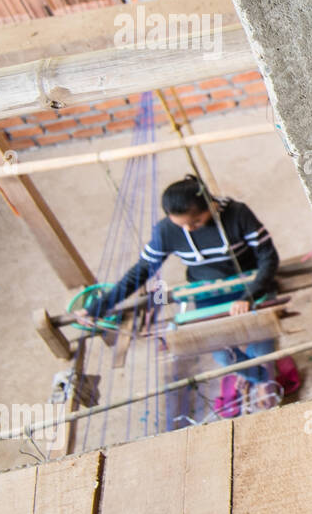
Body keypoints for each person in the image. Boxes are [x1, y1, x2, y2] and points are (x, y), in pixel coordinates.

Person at [83, 174, 282, 408]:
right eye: (181, 224)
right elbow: (142, 270)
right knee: (222, 354)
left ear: (211, 205)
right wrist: (99, 307)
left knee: (262, 343)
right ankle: (258, 377)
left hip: (250, 285)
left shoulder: (238, 214)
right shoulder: (167, 231)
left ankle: (261, 376)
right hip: (207, 294)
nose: (189, 228)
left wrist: (250, 295)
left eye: (196, 222)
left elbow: (269, 257)